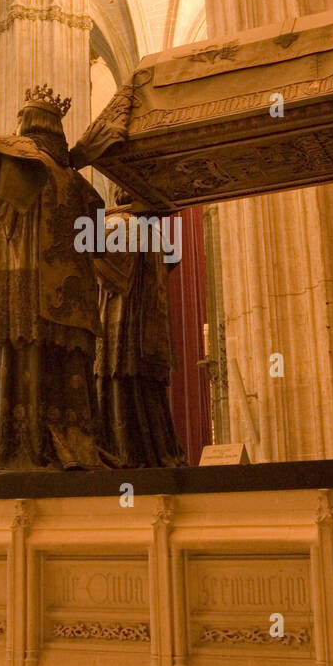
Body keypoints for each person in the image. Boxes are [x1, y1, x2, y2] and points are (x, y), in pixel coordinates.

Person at [0, 83, 120, 474]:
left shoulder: (17, 161)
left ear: (28, 124)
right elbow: (103, 254)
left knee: (15, 363)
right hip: (76, 312)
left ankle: (4, 447)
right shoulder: (85, 190)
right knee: (64, 377)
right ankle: (73, 447)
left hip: (23, 294)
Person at [93, 192, 187, 468]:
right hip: (132, 325)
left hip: (132, 325)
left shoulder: (132, 227)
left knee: (129, 381)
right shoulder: (132, 226)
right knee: (130, 383)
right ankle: (137, 453)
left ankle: (132, 452)